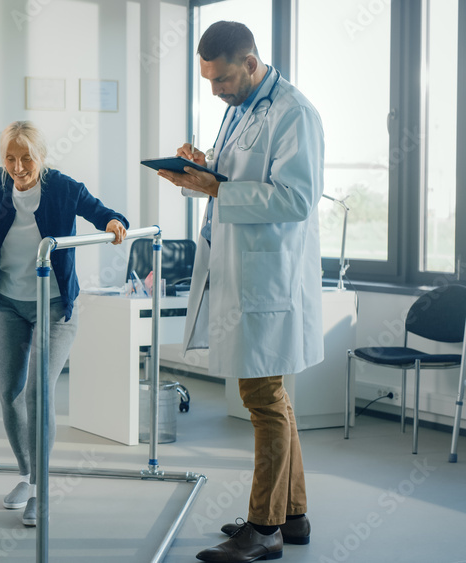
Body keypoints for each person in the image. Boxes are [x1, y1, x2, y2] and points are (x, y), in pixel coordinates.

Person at [156, 21, 325, 563]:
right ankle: (292, 516)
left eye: (222, 79)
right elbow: (234, 179)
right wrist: (200, 170)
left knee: (263, 399)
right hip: (240, 269)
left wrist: (218, 186)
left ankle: (263, 528)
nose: (215, 91)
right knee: (272, 397)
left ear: (250, 63)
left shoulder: (295, 113)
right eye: (208, 80)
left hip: (269, 277)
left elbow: (296, 199)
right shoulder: (240, 108)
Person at [0, 121, 128, 527]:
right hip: (8, 304)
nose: (18, 167)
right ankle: (27, 476)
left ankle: (41, 489)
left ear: (42, 156)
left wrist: (113, 223)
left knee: (38, 393)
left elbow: (101, 212)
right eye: (10, 159)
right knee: (10, 392)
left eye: (26, 158)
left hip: (54, 305)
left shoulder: (63, 187)